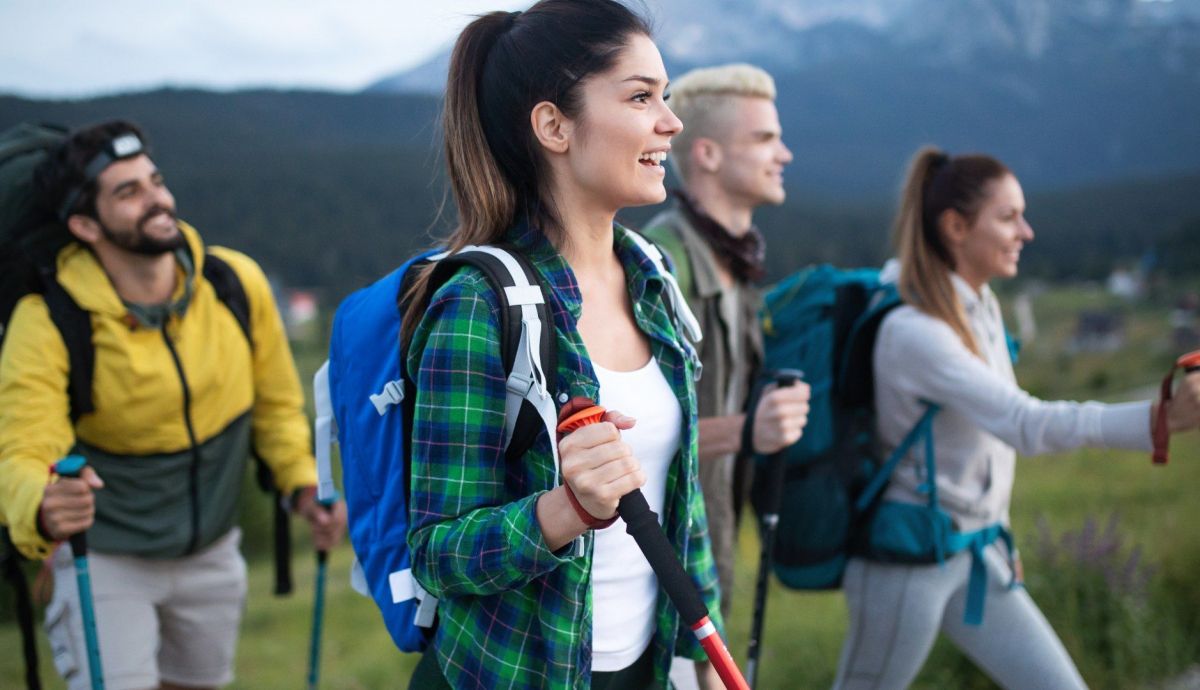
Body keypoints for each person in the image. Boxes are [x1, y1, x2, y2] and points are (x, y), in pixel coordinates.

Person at [402, 2, 724, 688]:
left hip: (642, 666)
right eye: (641, 97)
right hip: (517, 671)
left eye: (665, 96)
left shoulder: (653, 277)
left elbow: (679, 499)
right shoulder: (479, 305)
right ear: (553, 125)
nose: (670, 121)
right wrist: (566, 510)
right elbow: (436, 553)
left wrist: (699, 657)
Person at [832, 147, 1200, 689]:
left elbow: (990, 440)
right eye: (1008, 217)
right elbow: (1026, 424)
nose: (1025, 232)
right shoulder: (916, 332)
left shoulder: (979, 305)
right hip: (907, 565)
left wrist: (1001, 534)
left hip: (977, 555)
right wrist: (1159, 419)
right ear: (956, 227)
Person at [0, 120, 346, 690]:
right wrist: (40, 501)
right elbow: (22, 447)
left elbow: (277, 409)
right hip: (106, 561)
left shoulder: (234, 284)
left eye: (154, 180)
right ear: (85, 225)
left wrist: (302, 485)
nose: (157, 199)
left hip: (213, 553)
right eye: (127, 192)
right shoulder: (49, 320)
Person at [641, 63, 811, 622]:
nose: (783, 154)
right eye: (765, 138)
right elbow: (627, 430)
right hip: (656, 570)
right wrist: (748, 431)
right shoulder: (664, 263)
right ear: (708, 154)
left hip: (704, 550)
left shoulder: (734, 265)